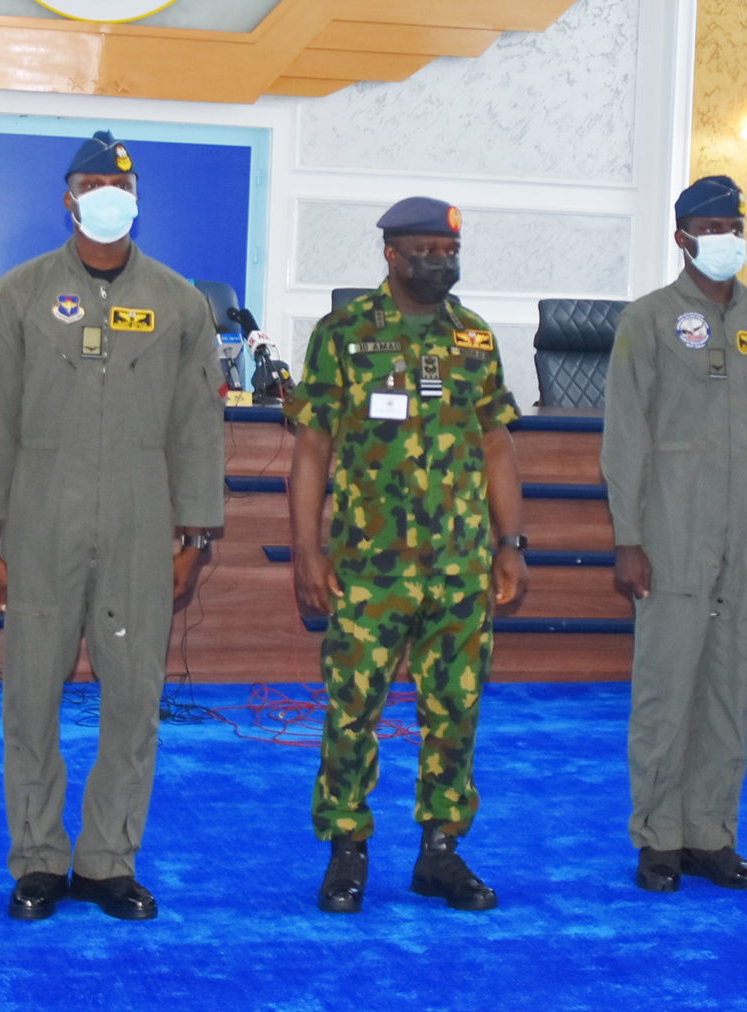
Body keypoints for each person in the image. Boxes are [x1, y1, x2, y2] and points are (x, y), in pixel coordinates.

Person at [0, 131, 225, 922]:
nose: (106, 195)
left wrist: (196, 539)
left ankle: (109, 860)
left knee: (135, 697)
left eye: (119, 183)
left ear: (135, 199)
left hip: (142, 520)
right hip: (41, 516)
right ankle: (39, 859)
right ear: (67, 198)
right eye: (91, 182)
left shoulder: (181, 303)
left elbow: (197, 431)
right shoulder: (19, 294)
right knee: (31, 695)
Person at [286, 196, 527, 914]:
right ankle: (347, 851)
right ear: (390, 254)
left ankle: (441, 852)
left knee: (455, 710)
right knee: (352, 709)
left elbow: (495, 443)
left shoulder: (475, 339)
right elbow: (312, 448)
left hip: (460, 566)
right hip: (369, 567)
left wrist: (510, 546)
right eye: (424, 250)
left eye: (448, 250)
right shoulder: (345, 333)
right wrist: (306, 550)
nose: (439, 262)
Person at [602, 176, 747, 893]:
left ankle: (711, 835)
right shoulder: (649, 320)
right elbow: (625, 436)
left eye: (733, 224)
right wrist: (628, 536)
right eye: (710, 226)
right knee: (666, 684)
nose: (726, 238)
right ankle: (658, 837)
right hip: (672, 531)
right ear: (682, 237)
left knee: (728, 687)